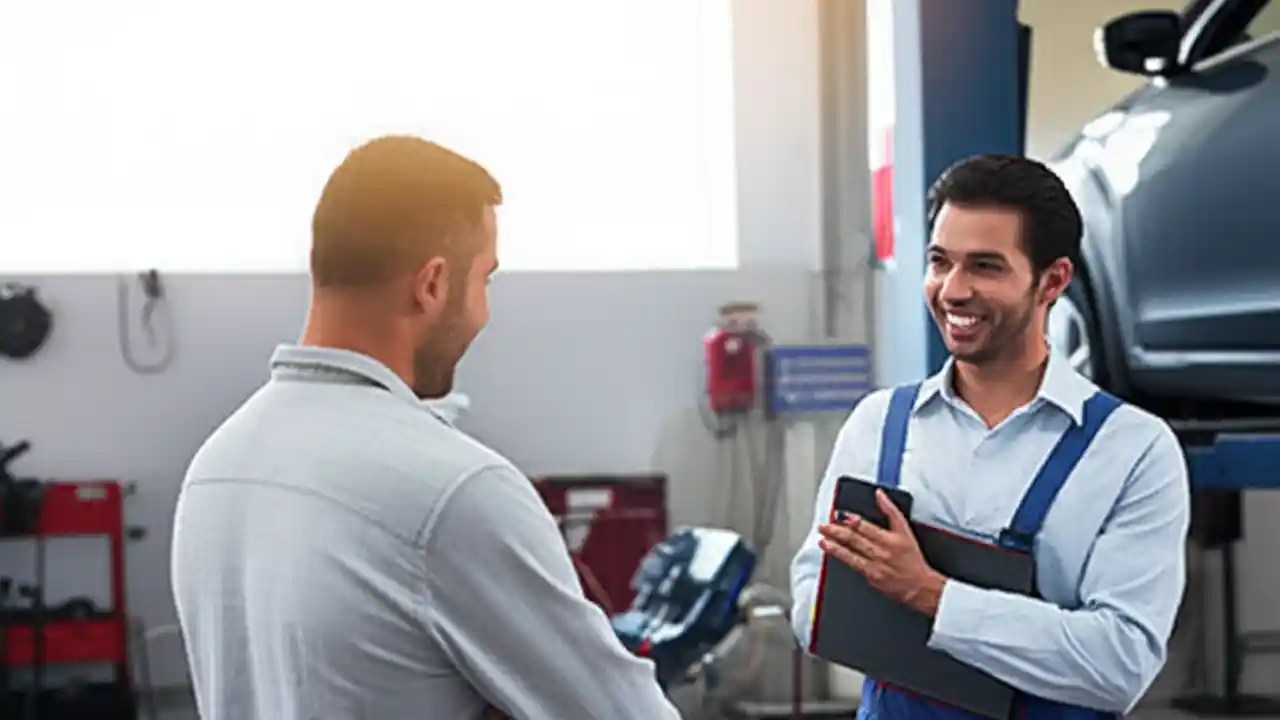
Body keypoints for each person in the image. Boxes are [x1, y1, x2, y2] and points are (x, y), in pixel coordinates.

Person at [171, 135, 680, 719]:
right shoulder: (454, 491)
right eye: (485, 279)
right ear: (432, 283)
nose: (485, 312)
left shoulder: (217, 467)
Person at [789, 154, 1190, 718]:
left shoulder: (1133, 451)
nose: (953, 291)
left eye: (985, 267)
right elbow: (812, 607)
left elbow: (1119, 665)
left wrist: (926, 593)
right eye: (939, 261)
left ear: (1052, 281)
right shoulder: (878, 424)